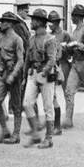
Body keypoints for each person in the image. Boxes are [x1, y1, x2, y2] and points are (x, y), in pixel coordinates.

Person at [22, 9, 61, 148]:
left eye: (33, 20)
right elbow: (27, 58)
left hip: (46, 75)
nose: (31, 22)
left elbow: (52, 59)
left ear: (39, 22)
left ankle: (49, 138)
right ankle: (35, 134)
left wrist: (43, 73)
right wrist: (24, 76)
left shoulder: (50, 39)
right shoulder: (31, 39)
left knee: (48, 107)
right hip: (33, 74)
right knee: (27, 104)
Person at [0, 11, 27, 144]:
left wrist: (13, 75)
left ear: (11, 24)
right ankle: (5, 130)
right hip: (2, 74)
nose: (2, 23)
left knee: (16, 106)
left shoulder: (17, 39)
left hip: (14, 75)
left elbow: (21, 60)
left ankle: (16, 134)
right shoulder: (0, 38)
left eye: (5, 21)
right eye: (2, 20)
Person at [45, 9, 68, 134]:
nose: (50, 24)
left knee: (53, 97)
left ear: (57, 22)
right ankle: (53, 123)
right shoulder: (49, 36)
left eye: (52, 22)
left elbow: (60, 54)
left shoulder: (63, 35)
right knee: (49, 97)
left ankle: (57, 126)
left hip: (57, 67)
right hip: (50, 67)